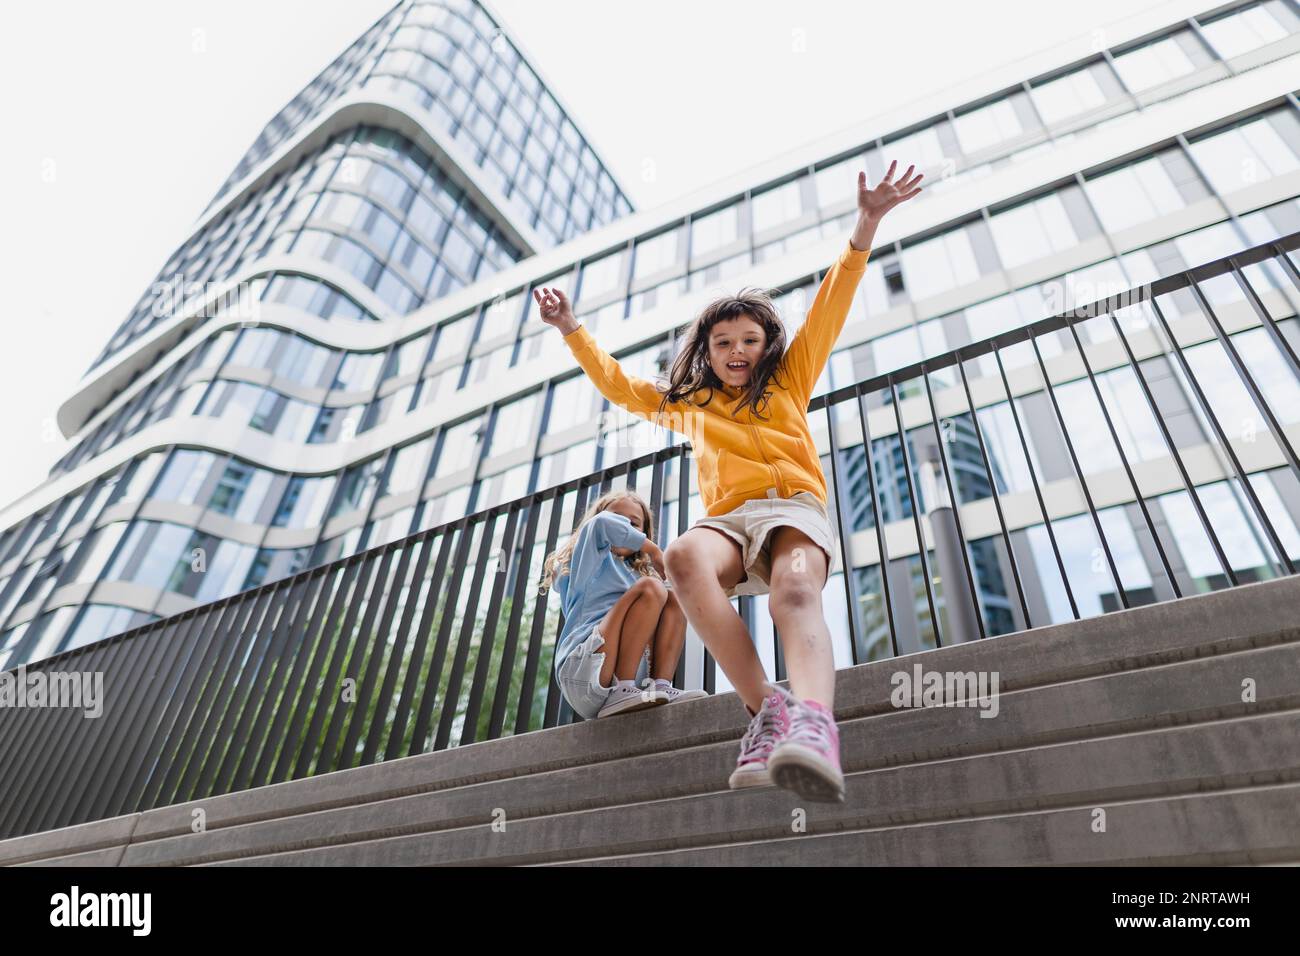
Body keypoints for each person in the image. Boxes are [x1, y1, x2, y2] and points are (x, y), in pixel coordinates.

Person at [535, 161, 922, 798]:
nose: (736, 350)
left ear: (767, 344)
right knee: (683, 554)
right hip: (730, 523)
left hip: (794, 510)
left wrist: (867, 223)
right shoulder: (690, 405)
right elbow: (622, 388)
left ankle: (815, 725)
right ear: (707, 352)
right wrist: (573, 330)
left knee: (793, 598)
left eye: (749, 339)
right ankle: (769, 709)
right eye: (723, 343)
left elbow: (833, 299)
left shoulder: (791, 377)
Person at [539, 489, 708, 720]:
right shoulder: (589, 557)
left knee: (673, 596)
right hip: (583, 672)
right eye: (617, 518)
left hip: (626, 684)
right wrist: (654, 550)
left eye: (633, 523)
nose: (623, 525)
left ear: (642, 532)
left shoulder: (637, 577)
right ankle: (623, 686)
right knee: (651, 588)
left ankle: (659, 684)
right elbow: (601, 525)